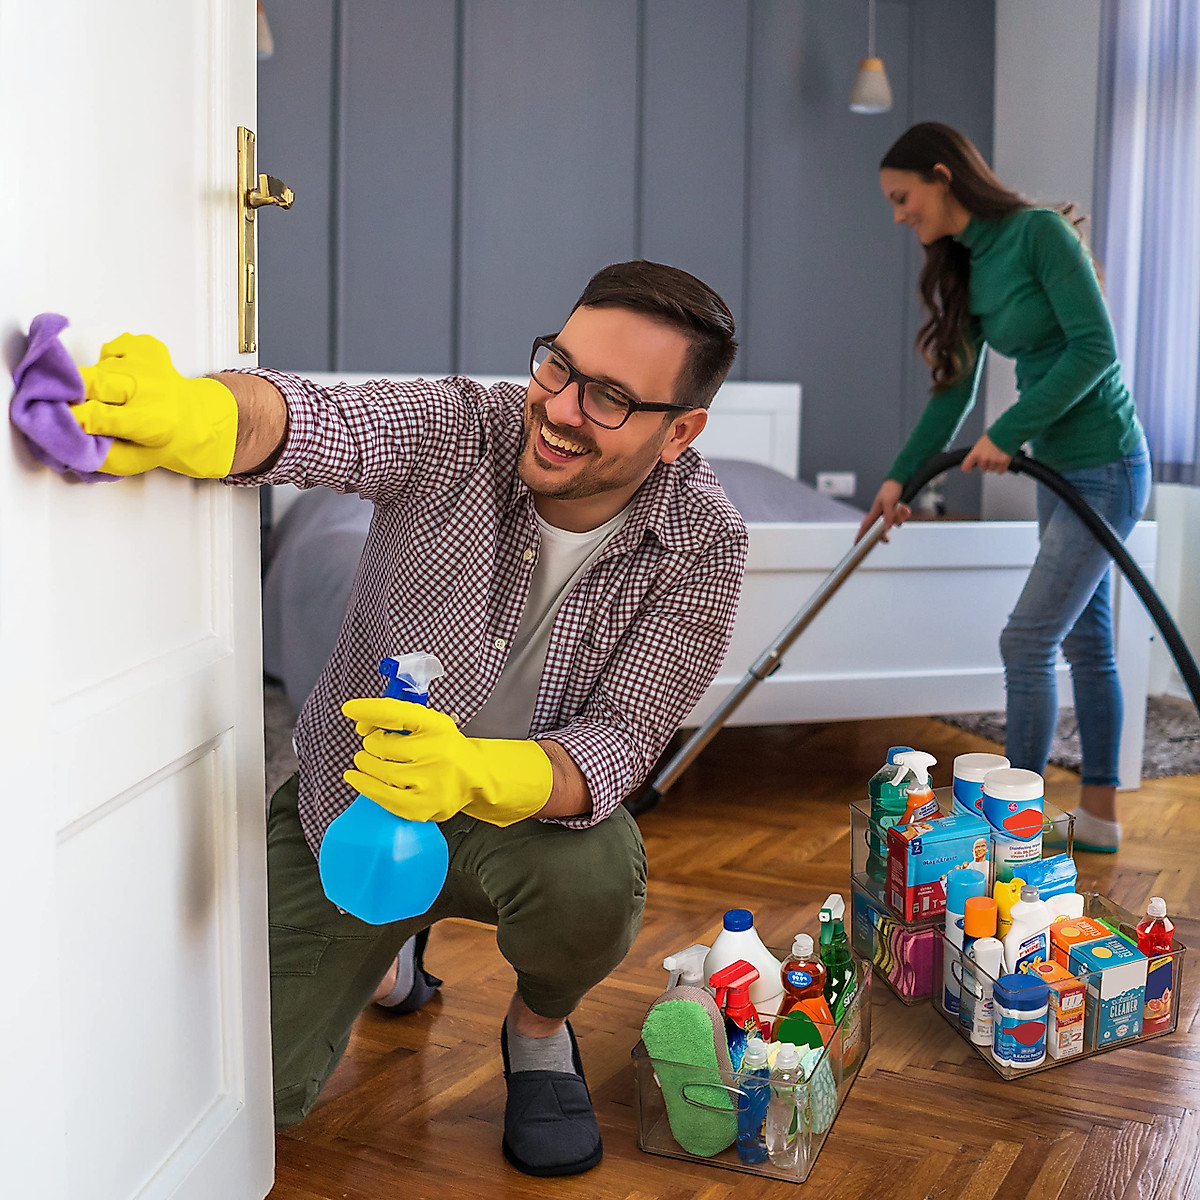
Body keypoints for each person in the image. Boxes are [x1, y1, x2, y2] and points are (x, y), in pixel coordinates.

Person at [70, 260, 748, 1176]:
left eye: (612, 398)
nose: (559, 407)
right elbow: (320, 420)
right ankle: (395, 949)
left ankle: (539, 1030)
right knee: (240, 1096)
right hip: (355, 812)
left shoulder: (705, 541)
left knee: (597, 874)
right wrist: (201, 414)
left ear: (682, 431)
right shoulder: (466, 426)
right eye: (559, 365)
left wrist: (477, 772)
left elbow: (625, 739)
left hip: (528, 825)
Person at [859, 122, 1150, 855]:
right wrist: (903, 476)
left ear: (941, 175)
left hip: (1108, 465)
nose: (898, 215)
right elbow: (953, 390)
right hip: (1060, 470)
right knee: (1087, 640)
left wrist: (1011, 429)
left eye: (902, 197)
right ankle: (1099, 819)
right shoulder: (966, 264)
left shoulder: (1038, 234)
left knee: (1027, 640)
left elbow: (1096, 347)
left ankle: (1010, 828)